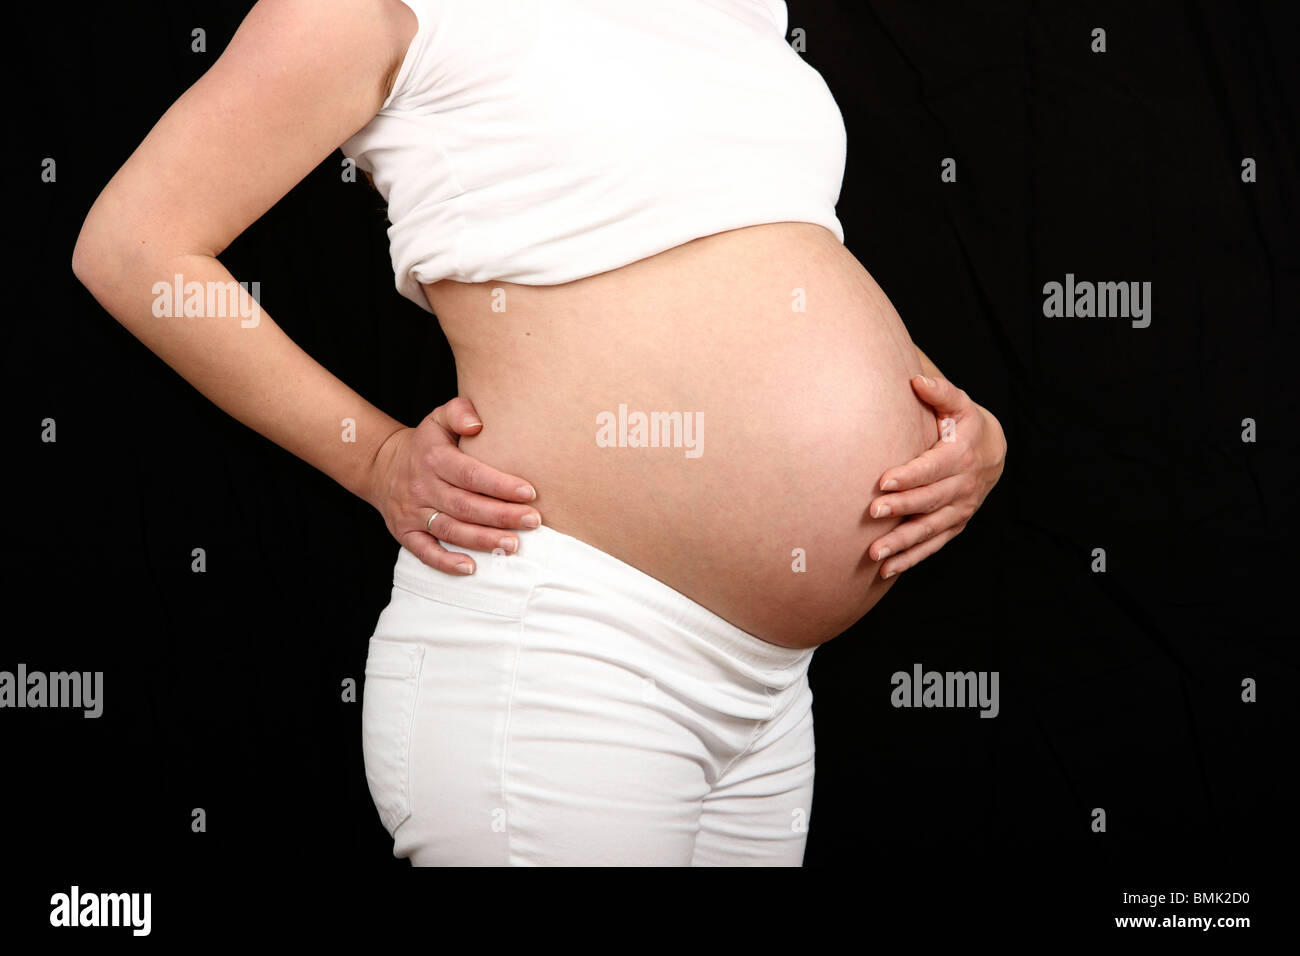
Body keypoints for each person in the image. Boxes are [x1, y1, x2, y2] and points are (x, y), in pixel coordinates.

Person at [72, 0, 1006, 865]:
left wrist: (950, 416)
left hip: (770, 689)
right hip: (567, 654)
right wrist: (376, 458)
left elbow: (772, 239)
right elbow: (134, 247)